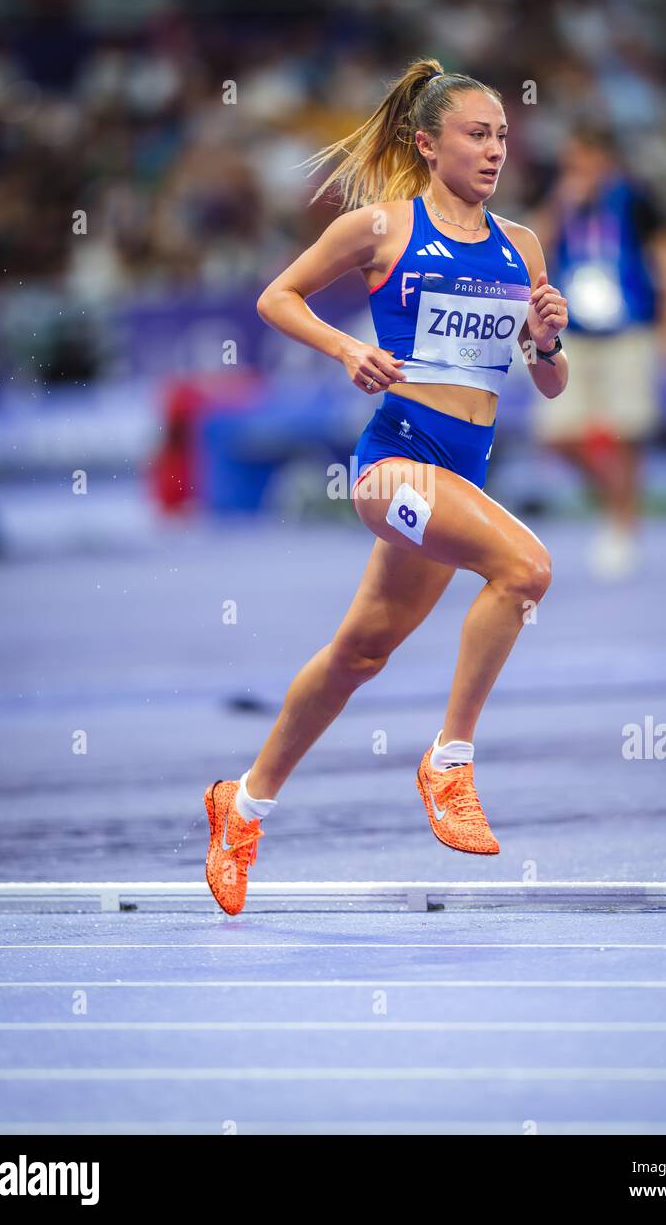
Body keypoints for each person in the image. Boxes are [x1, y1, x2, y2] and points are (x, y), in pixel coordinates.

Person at [204, 59, 569, 914]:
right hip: (394, 464)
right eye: (476, 135)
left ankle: (242, 804)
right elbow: (277, 297)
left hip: (461, 478)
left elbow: (548, 384)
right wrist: (347, 350)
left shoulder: (523, 247)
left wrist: (547, 344)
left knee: (359, 654)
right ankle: (449, 765)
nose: (494, 151)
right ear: (427, 143)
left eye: (503, 137)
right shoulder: (380, 229)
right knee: (525, 571)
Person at [530, 123, 666, 577]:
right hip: (574, 332)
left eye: (581, 159)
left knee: (626, 434)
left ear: (604, 159)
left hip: (629, 330)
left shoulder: (637, 199)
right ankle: (614, 501)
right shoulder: (560, 199)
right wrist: (561, 204)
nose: (574, 169)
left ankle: (623, 527)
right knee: (558, 434)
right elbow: (532, 248)